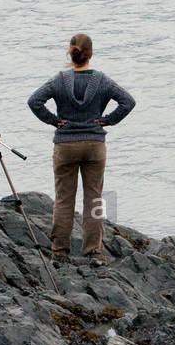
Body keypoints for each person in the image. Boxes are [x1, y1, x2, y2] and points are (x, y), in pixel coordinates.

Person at [27, 33, 136, 265]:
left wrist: (54, 121)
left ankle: (59, 251)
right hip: (94, 145)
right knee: (94, 198)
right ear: (91, 54)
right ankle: (93, 252)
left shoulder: (59, 80)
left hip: (65, 144)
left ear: (70, 53)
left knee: (64, 199)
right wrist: (107, 120)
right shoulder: (102, 80)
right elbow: (128, 102)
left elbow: (34, 101)